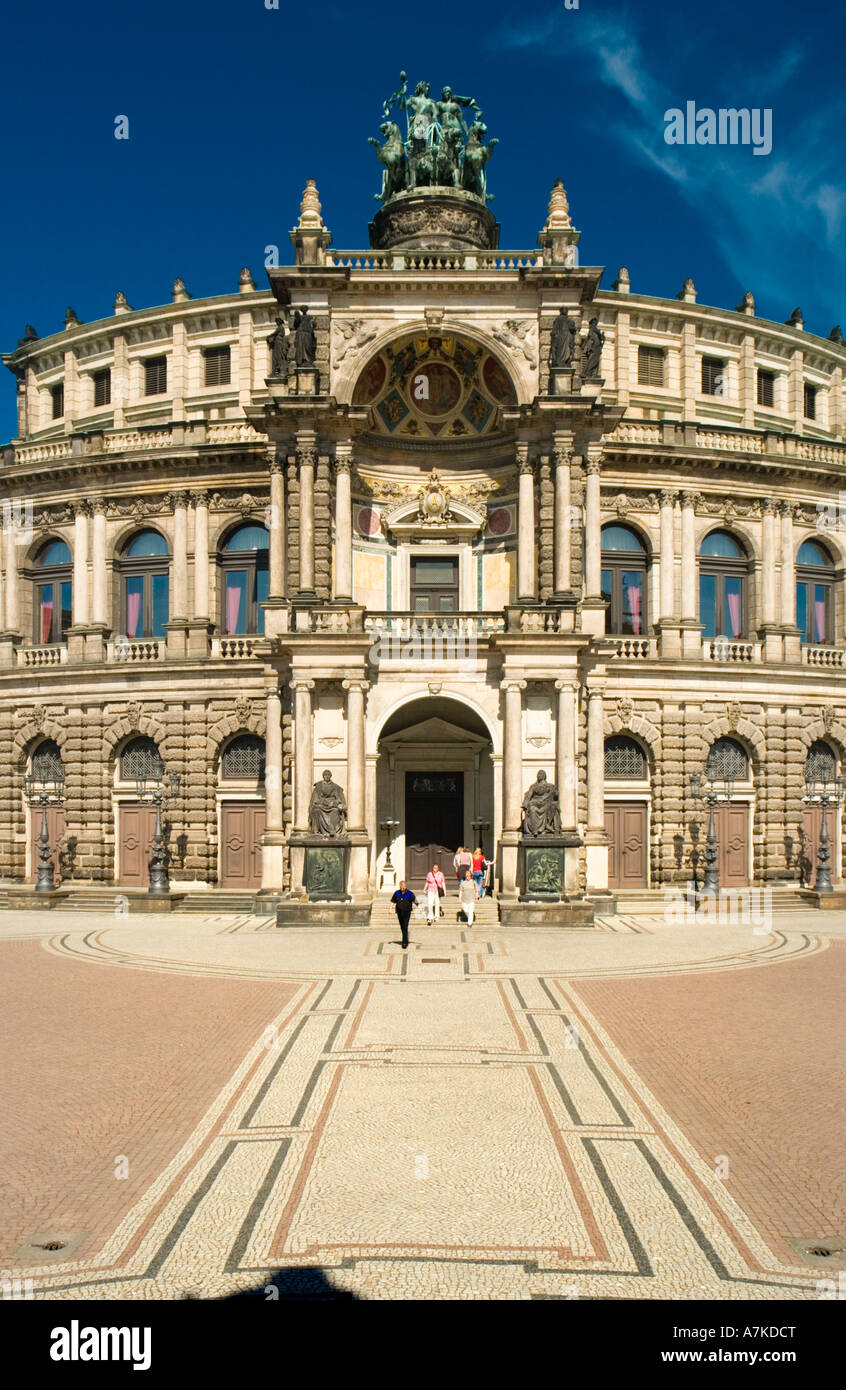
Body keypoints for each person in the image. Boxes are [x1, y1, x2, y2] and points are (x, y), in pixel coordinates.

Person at [390, 880, 417, 949]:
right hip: (399, 912)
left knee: (405, 925)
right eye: (401, 886)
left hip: (407, 912)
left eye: (404, 886)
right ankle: (406, 938)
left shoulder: (410, 894)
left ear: (406, 886)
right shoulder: (396, 893)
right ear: (400, 886)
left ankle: (404, 942)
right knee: (402, 926)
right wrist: (390, 909)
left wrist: (421, 910)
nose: (403, 887)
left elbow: (416, 902)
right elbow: (393, 901)